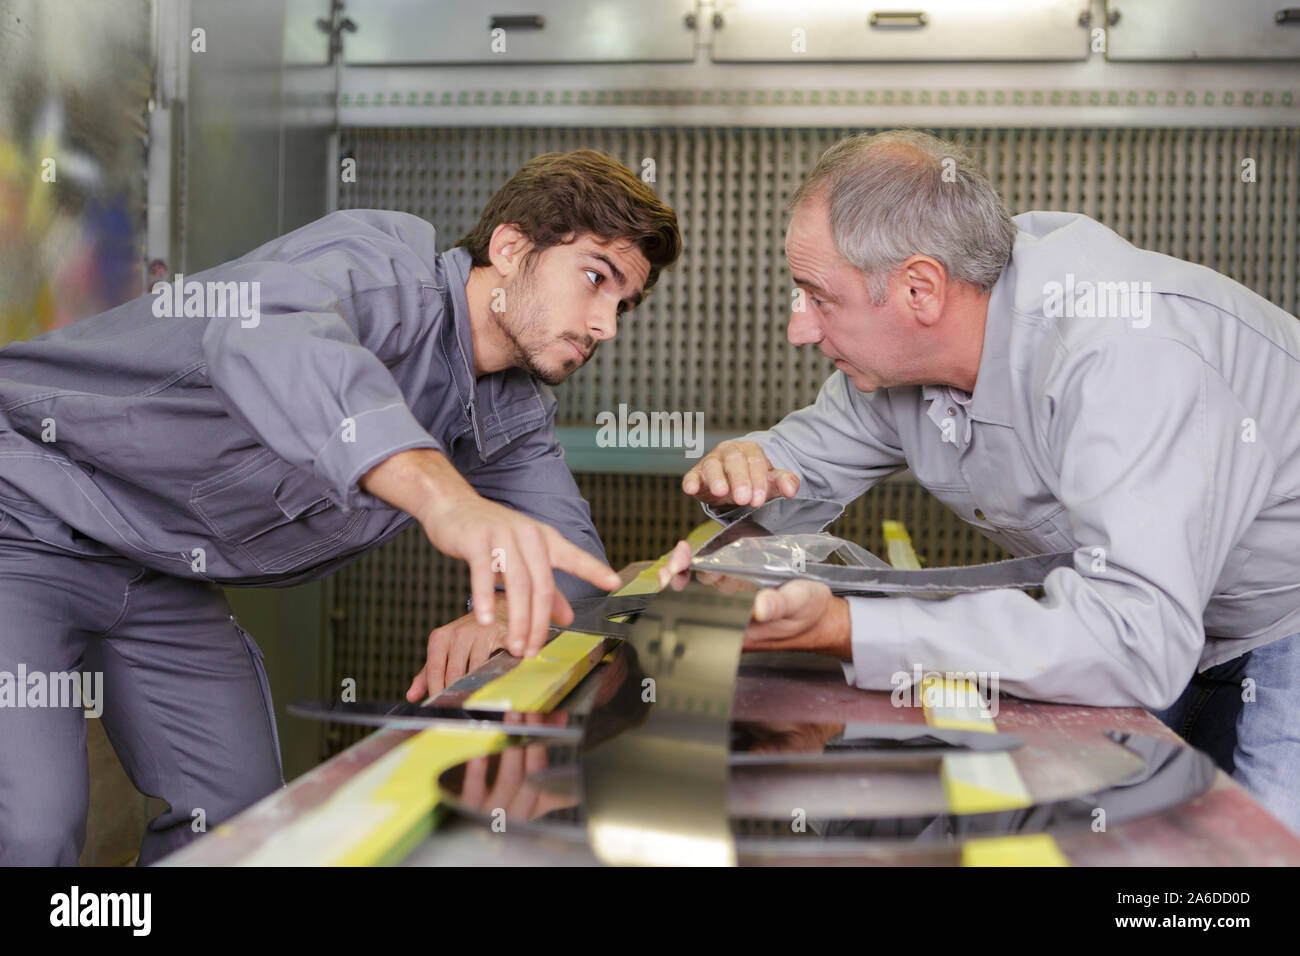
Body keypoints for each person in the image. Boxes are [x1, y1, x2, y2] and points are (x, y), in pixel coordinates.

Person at [0, 149, 680, 864]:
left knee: (242, 826)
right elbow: (263, 331)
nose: (605, 323)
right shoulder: (385, 268)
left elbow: (570, 565)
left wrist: (520, 610)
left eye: (623, 305)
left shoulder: (509, 413)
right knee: (32, 826)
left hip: (157, 571)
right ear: (511, 248)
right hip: (24, 514)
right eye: (595, 279)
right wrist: (444, 497)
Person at [671, 129, 1300, 833]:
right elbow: (794, 474)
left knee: (1259, 850)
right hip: (1159, 620)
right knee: (1090, 828)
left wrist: (848, 628)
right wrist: (739, 475)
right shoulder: (894, 371)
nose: (799, 328)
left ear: (919, 288)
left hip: (1282, 620)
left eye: (819, 298)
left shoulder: (1124, 353)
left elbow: (1133, 637)